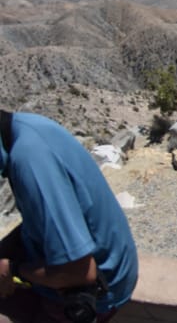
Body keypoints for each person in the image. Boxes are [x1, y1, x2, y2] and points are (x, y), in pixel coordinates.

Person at [0, 111, 138, 322]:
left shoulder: (30, 160)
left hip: (97, 288)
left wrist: (11, 269)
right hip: (107, 264)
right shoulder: (25, 126)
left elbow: (80, 272)